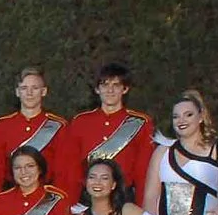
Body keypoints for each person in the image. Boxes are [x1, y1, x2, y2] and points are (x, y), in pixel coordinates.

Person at [55, 63, 153, 195]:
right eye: (105, 85)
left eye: (116, 85)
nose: (110, 90)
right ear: (97, 89)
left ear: (125, 89)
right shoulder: (80, 122)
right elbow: (71, 169)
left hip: (124, 196)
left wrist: (143, 207)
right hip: (88, 197)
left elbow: (143, 171)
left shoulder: (140, 123)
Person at [0, 68, 68, 195]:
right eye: (24, 88)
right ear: (17, 92)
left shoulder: (58, 126)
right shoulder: (2, 126)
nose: (29, 93)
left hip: (46, 198)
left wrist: (59, 201)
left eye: (35, 88)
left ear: (44, 91)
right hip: (10, 196)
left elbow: (63, 172)